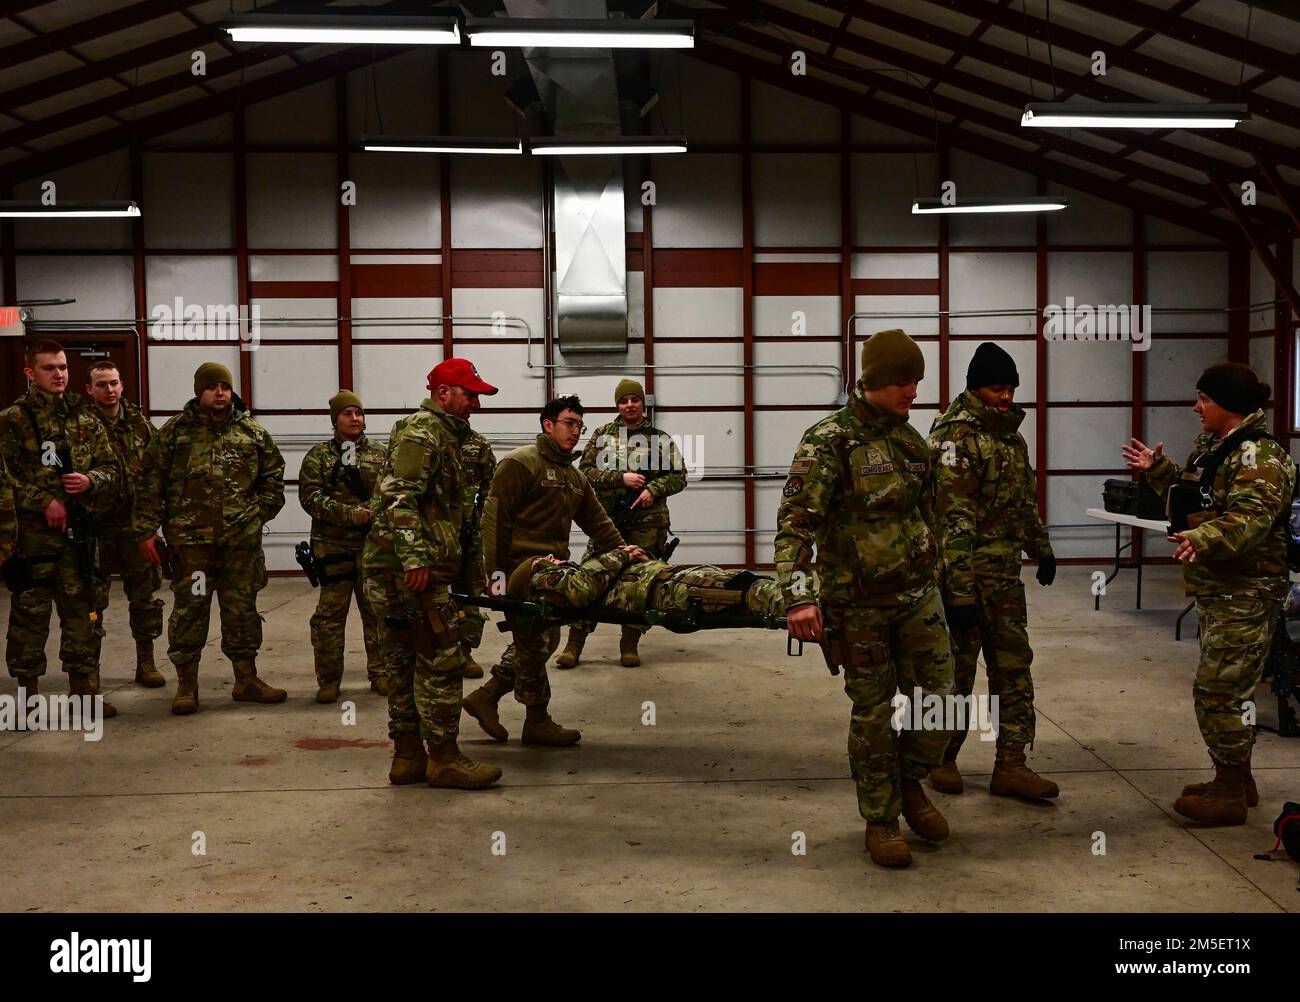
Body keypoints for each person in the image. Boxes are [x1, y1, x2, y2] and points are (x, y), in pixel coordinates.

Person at [775, 329, 955, 869]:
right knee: (874, 713)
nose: (912, 391)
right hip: (858, 605)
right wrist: (799, 597)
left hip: (918, 595)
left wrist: (941, 570)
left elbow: (929, 514)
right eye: (903, 381)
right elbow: (794, 524)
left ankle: (908, 780)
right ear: (873, 381)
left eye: (917, 381)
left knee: (941, 701)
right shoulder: (830, 440)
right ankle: (881, 819)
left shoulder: (911, 441)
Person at [1124, 362, 1295, 826]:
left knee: (1219, 690)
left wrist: (1202, 538)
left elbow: (1250, 519)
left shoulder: (1260, 456)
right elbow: (1199, 497)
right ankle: (1236, 778)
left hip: (1246, 590)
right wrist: (1159, 471)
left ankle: (1230, 792)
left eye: (1203, 399)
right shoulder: (1217, 448)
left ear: (1226, 404)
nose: (1196, 407)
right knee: (1226, 686)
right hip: (1220, 589)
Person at [362, 358, 502, 790]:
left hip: (403, 568)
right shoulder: (422, 432)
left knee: (402, 661)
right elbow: (398, 498)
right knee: (441, 658)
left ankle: (407, 757)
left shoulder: (456, 438)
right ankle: (442, 757)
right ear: (444, 393)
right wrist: (415, 559)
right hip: (411, 571)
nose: (475, 403)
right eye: (469, 394)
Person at [926, 343, 1058, 799]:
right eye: (997, 388)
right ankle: (941, 757)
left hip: (1003, 578)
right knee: (956, 673)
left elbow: (1022, 504)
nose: (1007, 396)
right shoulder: (954, 439)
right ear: (975, 388)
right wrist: (959, 593)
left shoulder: (1010, 437)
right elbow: (951, 521)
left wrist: (1041, 550)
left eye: (1011, 388)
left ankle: (1012, 763)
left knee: (1013, 668)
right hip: (961, 579)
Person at [462, 395, 624, 746]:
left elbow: (600, 524)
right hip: (522, 569)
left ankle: (490, 698)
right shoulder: (520, 464)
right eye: (569, 423)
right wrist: (496, 577)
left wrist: (627, 553)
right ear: (548, 425)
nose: (575, 432)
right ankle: (534, 720)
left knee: (539, 638)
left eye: (580, 426)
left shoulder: (574, 476)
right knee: (539, 638)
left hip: (553, 570)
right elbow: (494, 523)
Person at [134, 363, 286, 715]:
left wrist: (256, 516)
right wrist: (146, 530)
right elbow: (149, 483)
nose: (220, 392)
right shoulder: (175, 433)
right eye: (212, 387)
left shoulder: (252, 433)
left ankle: (246, 680)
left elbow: (273, 480)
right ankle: (187, 684)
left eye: (225, 386)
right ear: (199, 391)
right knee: (191, 610)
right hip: (192, 549)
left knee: (242, 611)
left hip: (240, 549)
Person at [0, 340, 119, 714]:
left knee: (84, 616)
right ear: (30, 373)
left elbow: (113, 469)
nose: (59, 374)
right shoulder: (13, 420)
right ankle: (27, 698)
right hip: (33, 542)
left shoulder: (85, 418)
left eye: (63, 367)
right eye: (50, 368)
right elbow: (5, 477)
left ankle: (82, 694)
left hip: (78, 541)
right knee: (29, 621)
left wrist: (90, 480)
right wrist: (43, 500)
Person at [557, 378, 686, 669]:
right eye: (623, 400)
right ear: (617, 405)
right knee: (590, 576)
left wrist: (654, 490)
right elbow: (585, 472)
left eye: (634, 400)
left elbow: (680, 475)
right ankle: (574, 644)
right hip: (608, 522)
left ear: (642, 403)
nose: (629, 405)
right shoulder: (603, 435)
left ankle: (629, 644)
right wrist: (620, 478)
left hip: (648, 524)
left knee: (640, 583)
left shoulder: (660, 438)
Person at [299, 391, 388, 703]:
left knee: (377, 612)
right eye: (347, 413)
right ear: (334, 419)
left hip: (373, 546)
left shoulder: (381, 453)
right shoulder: (319, 456)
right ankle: (328, 680)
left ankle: (381, 673)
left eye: (358, 413)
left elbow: (392, 491)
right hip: (332, 547)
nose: (354, 419)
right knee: (329, 617)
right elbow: (310, 497)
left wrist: (372, 512)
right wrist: (352, 514)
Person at [85, 360, 165, 689]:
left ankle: (145, 661)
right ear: (89, 390)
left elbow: (157, 473)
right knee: (91, 602)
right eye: (102, 384)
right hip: (95, 527)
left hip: (135, 526)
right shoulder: (80, 425)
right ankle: (89, 668)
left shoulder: (139, 425)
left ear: (122, 386)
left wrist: (152, 524)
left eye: (114, 383)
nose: (110, 390)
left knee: (144, 597)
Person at [504, 545, 785, 621]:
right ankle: (804, 608)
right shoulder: (546, 581)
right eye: (543, 559)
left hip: (667, 580)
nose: (552, 557)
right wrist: (622, 554)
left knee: (743, 582)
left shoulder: (560, 577)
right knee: (745, 590)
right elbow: (580, 589)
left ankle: (803, 604)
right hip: (667, 590)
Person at [455, 427, 496, 680]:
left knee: (470, 596)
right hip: (433, 537)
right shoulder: (423, 436)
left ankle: (464, 652)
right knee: (431, 598)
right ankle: (435, 653)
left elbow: (491, 489)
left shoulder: (478, 443)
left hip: (469, 535)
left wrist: (480, 522)